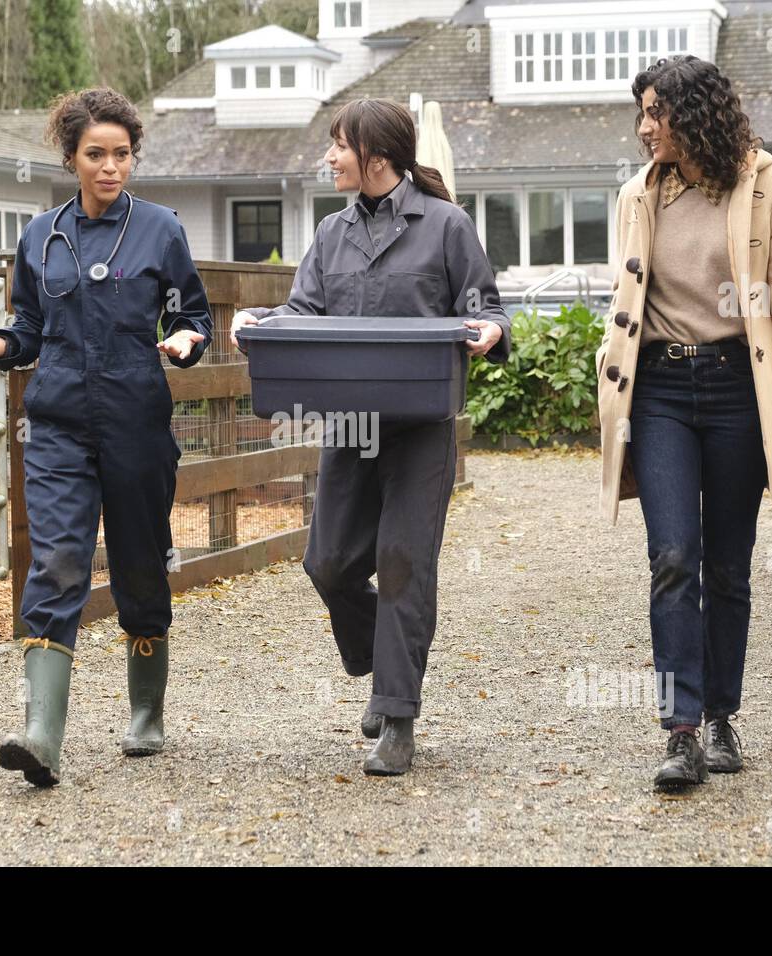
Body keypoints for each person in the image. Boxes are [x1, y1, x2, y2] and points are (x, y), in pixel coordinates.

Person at [0, 88, 212, 786]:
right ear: (70, 157)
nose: (111, 166)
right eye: (97, 154)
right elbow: (27, 326)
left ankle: (146, 713)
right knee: (57, 561)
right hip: (58, 421)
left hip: (136, 419)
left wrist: (184, 338)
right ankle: (40, 735)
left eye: (122, 154)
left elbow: (194, 315)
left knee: (140, 565)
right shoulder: (41, 237)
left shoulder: (160, 230)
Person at [230, 98, 510, 776]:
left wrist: (490, 332)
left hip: (421, 429)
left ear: (376, 156)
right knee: (326, 562)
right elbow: (304, 312)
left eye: (338, 145)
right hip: (349, 427)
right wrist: (262, 322)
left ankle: (398, 718)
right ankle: (381, 662)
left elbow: (486, 307)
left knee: (403, 563)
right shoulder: (331, 233)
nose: (329, 157)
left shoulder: (446, 225)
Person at [595, 56, 772, 789]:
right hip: (661, 391)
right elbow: (629, 300)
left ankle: (719, 718)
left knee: (728, 566)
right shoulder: (638, 196)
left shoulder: (769, 186)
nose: (644, 129)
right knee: (673, 554)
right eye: (641, 113)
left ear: (695, 114)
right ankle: (679, 733)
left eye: (656, 113)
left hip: (741, 388)